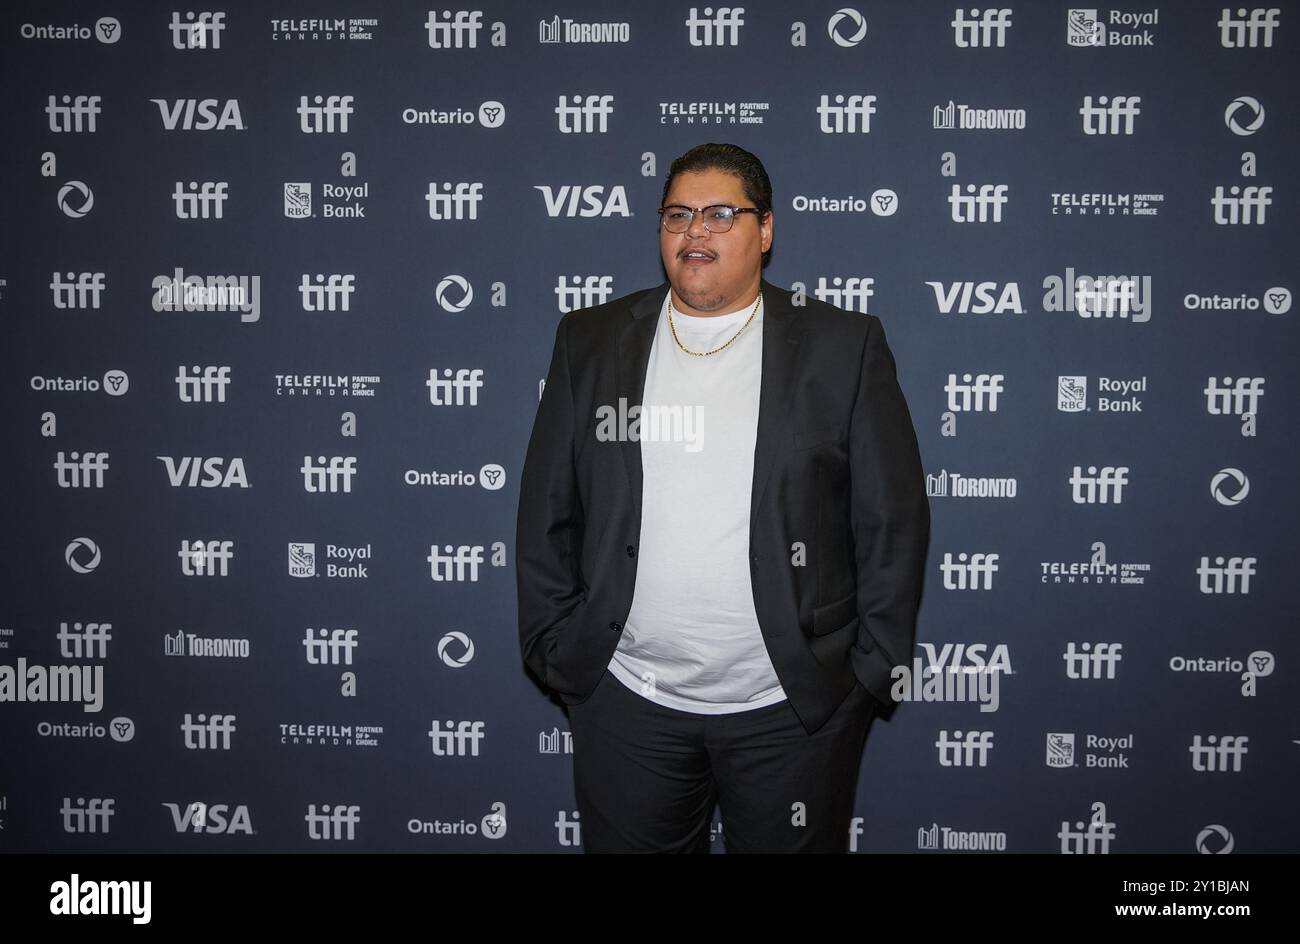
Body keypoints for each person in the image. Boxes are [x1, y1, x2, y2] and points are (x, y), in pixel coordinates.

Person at [516, 142, 929, 853]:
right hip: (626, 705)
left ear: (764, 231)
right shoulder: (591, 340)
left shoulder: (842, 344)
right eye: (677, 214)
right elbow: (547, 510)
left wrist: (865, 674)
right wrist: (562, 653)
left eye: (719, 214)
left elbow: (891, 520)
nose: (694, 231)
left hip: (792, 710)